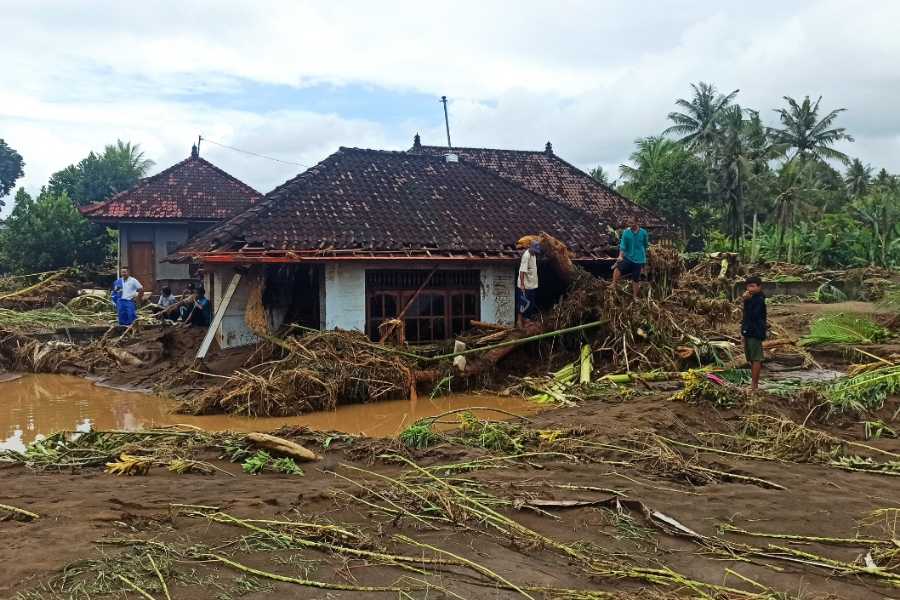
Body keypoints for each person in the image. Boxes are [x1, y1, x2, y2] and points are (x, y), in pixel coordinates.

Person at [612, 216, 649, 299]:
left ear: (636, 222)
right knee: (618, 267)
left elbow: (646, 245)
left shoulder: (643, 233)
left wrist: (644, 261)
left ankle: (635, 297)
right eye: (629, 223)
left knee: (636, 278)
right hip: (628, 256)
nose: (630, 224)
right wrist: (620, 256)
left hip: (639, 259)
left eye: (631, 223)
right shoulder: (626, 232)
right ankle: (613, 285)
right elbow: (623, 245)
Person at [741, 276, 767, 391]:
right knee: (751, 358)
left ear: (759, 287)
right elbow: (746, 316)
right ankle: (753, 384)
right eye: (748, 286)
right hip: (748, 331)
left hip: (755, 332)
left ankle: (754, 385)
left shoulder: (759, 299)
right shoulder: (752, 298)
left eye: (752, 286)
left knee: (756, 358)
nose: (749, 288)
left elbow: (753, 315)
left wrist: (747, 301)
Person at [517, 240, 541, 328]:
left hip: (532, 285)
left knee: (531, 303)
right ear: (530, 248)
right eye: (534, 250)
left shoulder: (534, 255)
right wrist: (522, 285)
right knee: (522, 303)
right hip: (525, 285)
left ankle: (527, 320)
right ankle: (519, 321)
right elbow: (522, 271)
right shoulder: (526, 255)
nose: (535, 252)